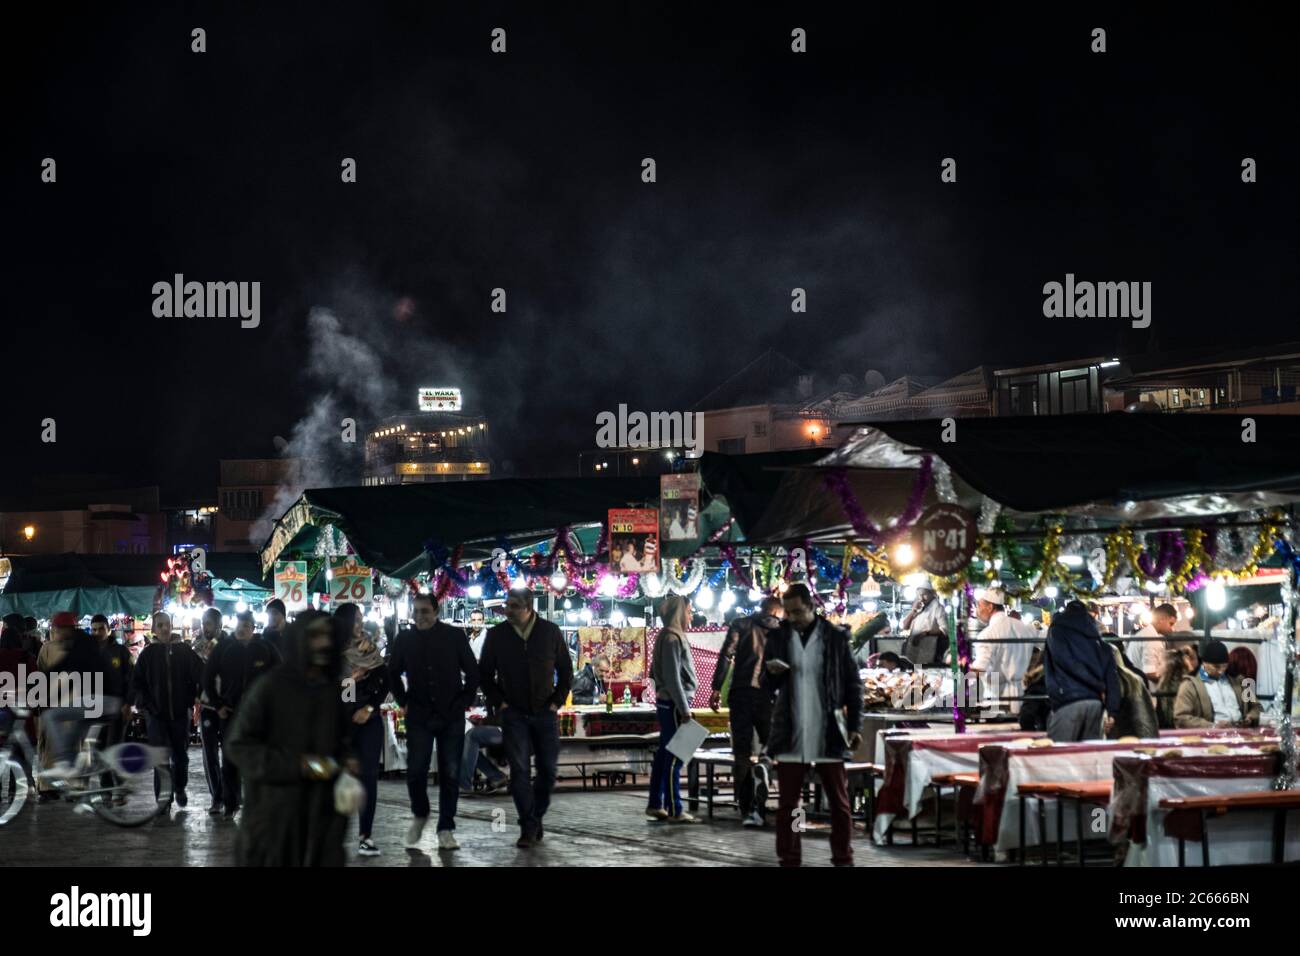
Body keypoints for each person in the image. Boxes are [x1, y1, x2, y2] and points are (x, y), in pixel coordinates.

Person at [225, 611, 358, 866]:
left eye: (328, 636)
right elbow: (238, 746)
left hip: (322, 826)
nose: (323, 644)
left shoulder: (333, 692)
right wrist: (295, 765)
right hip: (274, 825)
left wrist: (347, 763)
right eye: (316, 636)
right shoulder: (270, 688)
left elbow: (341, 743)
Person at [764, 583, 864, 867]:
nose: (792, 618)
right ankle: (791, 856)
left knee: (839, 803)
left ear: (811, 607)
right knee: (790, 805)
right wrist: (772, 674)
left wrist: (855, 724)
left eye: (797, 612)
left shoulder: (834, 638)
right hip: (790, 731)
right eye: (788, 613)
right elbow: (765, 683)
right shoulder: (780, 637)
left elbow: (853, 685)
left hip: (829, 730)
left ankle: (843, 857)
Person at [479, 587, 572, 849]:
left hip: (545, 712)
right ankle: (527, 826)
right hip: (515, 714)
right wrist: (501, 703)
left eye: (513, 606)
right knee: (519, 770)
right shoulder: (497, 635)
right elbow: (484, 674)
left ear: (528, 607)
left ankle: (534, 816)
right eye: (507, 605)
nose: (507, 610)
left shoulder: (550, 632)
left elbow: (566, 670)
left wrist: (556, 702)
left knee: (548, 771)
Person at [388, 593, 479, 852]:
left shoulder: (453, 636)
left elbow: (473, 672)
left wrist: (463, 701)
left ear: (436, 611)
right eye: (416, 611)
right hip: (418, 715)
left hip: (451, 715)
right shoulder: (404, 639)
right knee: (416, 770)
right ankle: (421, 813)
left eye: (425, 611)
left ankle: (446, 828)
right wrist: (402, 701)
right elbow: (392, 672)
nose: (420, 616)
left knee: (450, 772)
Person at [709, 595, 783, 827]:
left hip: (740, 693)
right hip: (767, 697)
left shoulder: (740, 624)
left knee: (741, 752)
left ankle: (745, 807)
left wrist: (715, 688)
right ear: (776, 611)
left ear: (762, 609)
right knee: (770, 748)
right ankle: (761, 804)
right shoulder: (783, 631)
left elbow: (726, 655)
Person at [204, 610, 281, 817]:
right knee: (229, 760)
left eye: (246, 625)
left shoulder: (265, 648)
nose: (241, 628)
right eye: (239, 624)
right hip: (229, 714)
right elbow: (208, 677)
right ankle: (231, 804)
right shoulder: (224, 647)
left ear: (253, 628)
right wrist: (218, 704)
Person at [132, 611, 204, 807]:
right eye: (160, 625)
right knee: (161, 760)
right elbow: (137, 682)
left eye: (167, 624)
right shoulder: (147, 654)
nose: (165, 628)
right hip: (156, 716)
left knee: (181, 758)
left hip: (180, 714)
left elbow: (200, 673)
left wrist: (196, 695)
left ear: (172, 626)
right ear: (154, 629)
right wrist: (145, 703)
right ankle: (163, 800)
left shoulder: (184, 651)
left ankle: (179, 787)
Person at [336, 603, 389, 856]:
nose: (360, 624)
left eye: (361, 618)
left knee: (368, 777)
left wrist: (368, 708)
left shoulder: (370, 649)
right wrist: (351, 681)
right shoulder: (332, 652)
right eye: (355, 620)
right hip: (341, 723)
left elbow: (383, 683)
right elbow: (333, 692)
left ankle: (365, 836)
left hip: (369, 721)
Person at [36, 612, 107, 781]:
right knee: (76, 742)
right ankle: (77, 781)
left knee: (58, 731)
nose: (56, 633)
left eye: (57, 629)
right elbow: (57, 670)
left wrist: (38, 691)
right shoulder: (75, 643)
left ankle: (68, 775)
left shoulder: (77, 645)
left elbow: (60, 669)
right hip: (82, 700)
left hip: (89, 701)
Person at [646, 594, 698, 824]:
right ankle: (675, 807)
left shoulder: (667, 636)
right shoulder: (672, 639)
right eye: (689, 610)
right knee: (676, 756)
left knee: (665, 755)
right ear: (680, 612)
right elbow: (673, 678)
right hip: (675, 705)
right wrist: (685, 709)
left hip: (669, 703)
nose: (691, 615)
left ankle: (656, 804)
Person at [1041, 601, 1120, 742]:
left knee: (1059, 757)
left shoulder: (1056, 633)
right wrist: (1112, 711)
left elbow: (1065, 662)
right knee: (1088, 757)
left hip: (1067, 700)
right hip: (1095, 704)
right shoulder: (1101, 645)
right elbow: (1112, 679)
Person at [969, 587, 1040, 714]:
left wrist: (962, 668)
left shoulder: (987, 635)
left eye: (979, 605)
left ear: (990, 607)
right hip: (1022, 698)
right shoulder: (1025, 628)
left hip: (998, 701)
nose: (977, 610)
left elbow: (980, 669)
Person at [1174, 640, 1261, 728]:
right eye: (1216, 667)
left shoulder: (1240, 682)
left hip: (1240, 732)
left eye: (1225, 666)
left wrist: (1250, 717)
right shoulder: (1189, 686)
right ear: (1205, 663)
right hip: (1211, 736)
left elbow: (1257, 707)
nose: (1221, 671)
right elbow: (1181, 718)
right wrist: (1212, 726)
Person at [91, 614, 134, 792]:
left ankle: (120, 784)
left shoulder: (120, 651)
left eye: (101, 628)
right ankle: (106, 788)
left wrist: (128, 703)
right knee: (98, 748)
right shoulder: (88, 652)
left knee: (114, 747)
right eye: (94, 629)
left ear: (108, 629)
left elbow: (131, 679)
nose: (97, 632)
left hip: (117, 706)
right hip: (94, 706)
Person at [193, 608, 229, 813]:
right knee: (209, 754)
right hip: (206, 707)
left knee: (229, 753)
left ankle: (228, 794)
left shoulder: (230, 646)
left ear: (219, 625)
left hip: (226, 707)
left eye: (208, 623)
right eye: (203, 623)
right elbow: (193, 675)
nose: (205, 627)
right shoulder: (197, 647)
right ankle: (217, 797)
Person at [1127, 603, 1178, 682]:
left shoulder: (1148, 634)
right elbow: (1150, 673)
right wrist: (1173, 680)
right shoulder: (1151, 639)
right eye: (1171, 624)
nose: (1172, 629)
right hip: (1144, 690)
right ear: (1161, 619)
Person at [899, 586, 948, 667]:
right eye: (919, 595)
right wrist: (913, 611)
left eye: (924, 594)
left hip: (928, 650)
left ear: (932, 593)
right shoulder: (919, 608)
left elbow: (945, 630)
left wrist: (925, 633)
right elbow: (905, 626)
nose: (921, 598)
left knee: (924, 675)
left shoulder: (938, 608)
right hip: (912, 650)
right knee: (912, 673)